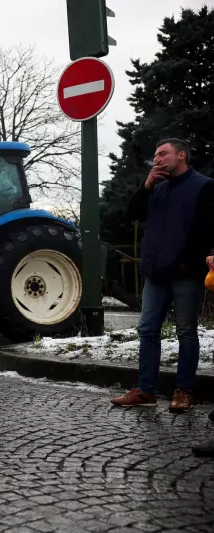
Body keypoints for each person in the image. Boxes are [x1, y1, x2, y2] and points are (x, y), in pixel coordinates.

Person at [112, 139, 214, 411]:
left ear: (181, 155)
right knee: (147, 330)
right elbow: (129, 215)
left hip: (185, 273)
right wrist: (146, 186)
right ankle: (145, 390)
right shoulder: (156, 187)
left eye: (163, 153)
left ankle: (183, 391)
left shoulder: (203, 186)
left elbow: (205, 232)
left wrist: (187, 263)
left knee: (186, 332)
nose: (156, 159)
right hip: (155, 273)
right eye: (155, 154)